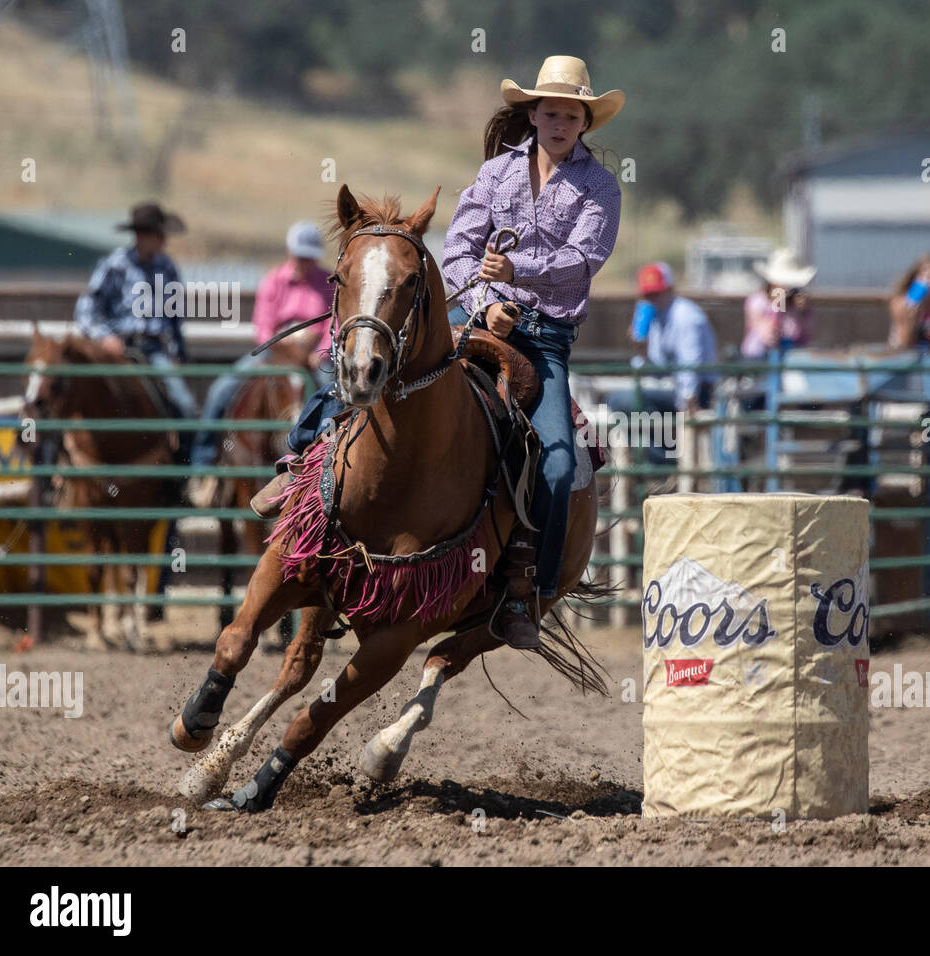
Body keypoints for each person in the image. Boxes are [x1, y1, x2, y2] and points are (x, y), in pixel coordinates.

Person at [250, 54, 624, 651]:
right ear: (532, 114)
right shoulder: (497, 175)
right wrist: (486, 297)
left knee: (557, 461)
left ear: (584, 122)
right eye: (550, 110)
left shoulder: (599, 187)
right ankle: (301, 463)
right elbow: (457, 249)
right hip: (473, 312)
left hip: (544, 337)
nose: (559, 121)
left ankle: (526, 584)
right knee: (365, 366)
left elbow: (583, 261)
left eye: (571, 113)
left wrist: (516, 279)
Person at [188, 221, 333, 502]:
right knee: (222, 389)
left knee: (335, 392)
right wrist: (282, 347)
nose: (304, 261)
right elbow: (263, 328)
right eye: (300, 255)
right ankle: (204, 466)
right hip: (274, 353)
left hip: (313, 355)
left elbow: (331, 324)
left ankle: (333, 461)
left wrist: (321, 351)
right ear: (290, 253)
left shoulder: (327, 283)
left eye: (308, 256)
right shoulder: (273, 281)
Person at [74, 201, 197, 464]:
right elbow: (85, 309)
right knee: (80, 399)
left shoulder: (167, 267)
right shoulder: (114, 265)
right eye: (159, 234)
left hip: (153, 350)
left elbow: (175, 317)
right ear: (143, 235)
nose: (164, 240)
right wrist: (104, 337)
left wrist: (177, 354)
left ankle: (183, 473)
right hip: (117, 349)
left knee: (185, 406)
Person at [607, 262, 718, 464]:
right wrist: (642, 351)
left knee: (624, 401)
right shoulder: (656, 316)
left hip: (698, 391)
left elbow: (689, 365)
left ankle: (664, 461)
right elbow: (655, 368)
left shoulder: (686, 316)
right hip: (672, 387)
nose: (652, 299)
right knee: (624, 404)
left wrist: (688, 399)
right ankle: (662, 458)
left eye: (656, 293)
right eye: (648, 294)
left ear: (670, 290)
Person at [741, 248, 816, 360]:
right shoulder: (758, 301)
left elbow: (804, 336)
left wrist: (803, 312)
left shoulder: (796, 305)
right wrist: (777, 306)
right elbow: (770, 337)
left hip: (791, 359)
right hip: (758, 358)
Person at [888, 254, 930, 353]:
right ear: (916, 278)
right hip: (904, 357)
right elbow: (904, 344)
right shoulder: (902, 303)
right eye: (927, 275)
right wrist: (911, 319)